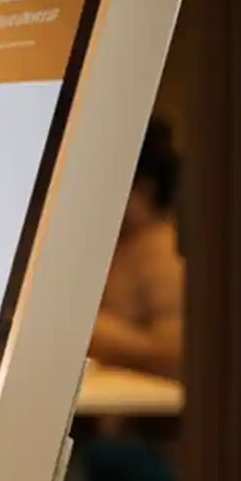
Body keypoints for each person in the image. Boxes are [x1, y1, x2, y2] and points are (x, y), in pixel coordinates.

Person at [88, 116, 185, 380]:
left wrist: (90, 331)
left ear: (143, 186)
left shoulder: (164, 250)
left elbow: (177, 353)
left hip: (157, 412)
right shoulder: (115, 246)